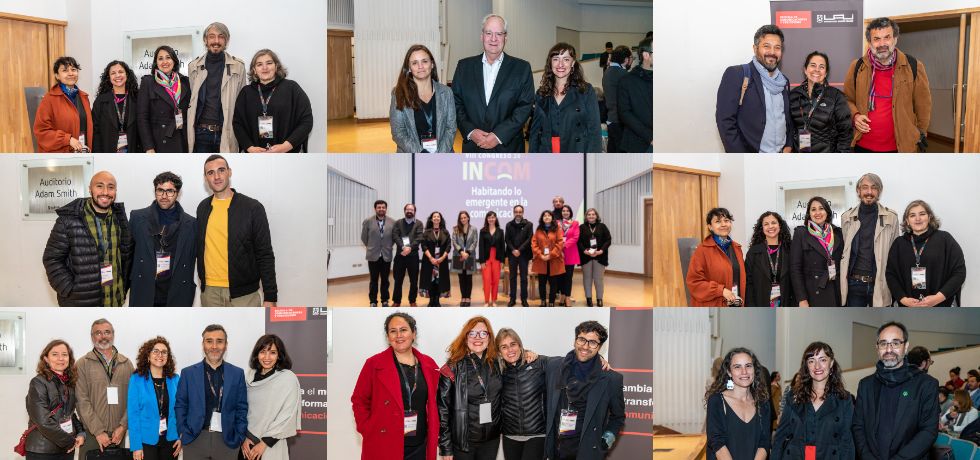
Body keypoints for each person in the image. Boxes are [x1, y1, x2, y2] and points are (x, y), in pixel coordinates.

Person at [352, 312, 440, 460]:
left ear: (414, 333)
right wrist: (368, 428)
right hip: (384, 443)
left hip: (420, 445)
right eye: (393, 331)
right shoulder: (374, 364)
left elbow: (437, 403)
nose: (399, 335)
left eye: (404, 330)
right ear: (388, 337)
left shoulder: (429, 365)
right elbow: (359, 400)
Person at [42, 170, 134, 307]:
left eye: (110, 187)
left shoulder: (120, 218)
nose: (105, 192)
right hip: (82, 302)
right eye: (99, 186)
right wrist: (69, 289)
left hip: (116, 299)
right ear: (90, 189)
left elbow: (127, 256)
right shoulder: (68, 220)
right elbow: (52, 258)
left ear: (115, 191)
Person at [197, 155, 278, 307]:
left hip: (244, 295)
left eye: (221, 170)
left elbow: (265, 253)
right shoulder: (203, 208)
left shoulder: (252, 208)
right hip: (210, 293)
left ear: (229, 172)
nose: (216, 176)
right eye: (210, 172)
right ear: (205, 178)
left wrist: (270, 296)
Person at [844, 17, 932, 153]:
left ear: (895, 38)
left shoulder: (914, 66)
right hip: (862, 146)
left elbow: (923, 106)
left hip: (901, 148)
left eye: (887, 37)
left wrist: (918, 135)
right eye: (876, 39)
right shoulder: (857, 66)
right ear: (870, 42)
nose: (882, 43)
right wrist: (855, 116)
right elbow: (847, 100)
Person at [853, 321, 939, 459]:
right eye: (883, 343)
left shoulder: (926, 384)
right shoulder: (865, 385)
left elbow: (928, 431)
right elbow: (858, 427)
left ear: (906, 347)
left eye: (895, 343)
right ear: (877, 348)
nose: (889, 349)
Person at [452, 13, 534, 152]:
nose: (493, 39)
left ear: (505, 37)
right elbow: (455, 103)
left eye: (499, 34)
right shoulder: (463, 67)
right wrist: (471, 131)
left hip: (508, 148)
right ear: (481, 36)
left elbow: (524, 107)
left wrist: (498, 136)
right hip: (473, 148)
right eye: (489, 33)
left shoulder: (522, 68)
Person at [542, 321, 625, 459]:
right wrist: (527, 353)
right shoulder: (554, 366)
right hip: (557, 448)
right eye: (582, 340)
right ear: (575, 341)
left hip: (587, 450)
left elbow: (618, 417)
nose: (585, 346)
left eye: (592, 342)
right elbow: (524, 357)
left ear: (599, 347)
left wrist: (606, 440)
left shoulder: (611, 379)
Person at [175, 324, 248, 460]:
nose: (214, 346)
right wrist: (183, 431)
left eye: (219, 341)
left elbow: (242, 407)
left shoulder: (237, 373)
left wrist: (239, 434)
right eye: (209, 341)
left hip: (227, 440)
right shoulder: (188, 373)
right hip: (195, 439)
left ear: (226, 345)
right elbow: (181, 405)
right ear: (203, 344)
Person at [716, 25, 792, 153]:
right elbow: (725, 121)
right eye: (766, 46)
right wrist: (742, 158)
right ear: (755, 48)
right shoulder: (737, 74)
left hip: (781, 159)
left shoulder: (783, 81)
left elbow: (787, 118)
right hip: (751, 159)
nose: (772, 52)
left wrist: (788, 145)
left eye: (777, 48)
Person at [771, 342, 854, 460]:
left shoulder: (844, 400)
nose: (817, 366)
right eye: (811, 361)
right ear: (806, 366)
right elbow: (780, 437)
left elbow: (847, 442)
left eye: (822, 360)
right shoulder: (793, 397)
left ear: (831, 363)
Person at [129, 171, 197, 307]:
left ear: (177, 193)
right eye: (160, 190)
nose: (164, 196)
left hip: (178, 293)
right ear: (155, 191)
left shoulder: (192, 224)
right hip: (144, 292)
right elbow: (128, 256)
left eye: (170, 191)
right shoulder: (137, 217)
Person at [438, 316, 502, 459]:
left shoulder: (498, 363)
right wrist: (445, 446)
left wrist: (526, 353)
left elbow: (514, 353)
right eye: (472, 333)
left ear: (489, 337)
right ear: (465, 337)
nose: (477, 337)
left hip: (491, 440)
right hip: (463, 443)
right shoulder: (452, 367)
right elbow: (443, 411)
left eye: (483, 333)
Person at [886, 200, 966, 307]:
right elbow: (891, 275)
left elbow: (959, 272)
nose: (918, 218)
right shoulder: (899, 244)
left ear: (929, 217)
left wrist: (938, 298)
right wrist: (903, 299)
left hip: (942, 305)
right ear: (907, 221)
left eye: (922, 214)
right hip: (906, 308)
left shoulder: (945, 239)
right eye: (912, 215)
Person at [75, 319, 135, 459]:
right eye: (98, 333)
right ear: (92, 337)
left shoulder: (126, 364)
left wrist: (123, 426)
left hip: (117, 435)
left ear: (113, 335)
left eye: (107, 332)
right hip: (92, 433)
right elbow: (81, 401)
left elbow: (133, 400)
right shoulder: (82, 364)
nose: (103, 336)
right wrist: (98, 431)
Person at [233, 49, 313, 152]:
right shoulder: (246, 93)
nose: (265, 67)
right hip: (255, 156)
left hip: (287, 154)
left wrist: (286, 146)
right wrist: (250, 148)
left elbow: (306, 121)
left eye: (269, 63)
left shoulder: (292, 88)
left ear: (276, 66)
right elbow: (237, 124)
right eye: (259, 64)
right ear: (254, 70)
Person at [528, 43, 602, 153]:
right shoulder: (541, 94)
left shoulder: (585, 91)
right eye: (556, 59)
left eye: (566, 59)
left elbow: (594, 131)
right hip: (547, 153)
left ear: (573, 63)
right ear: (550, 63)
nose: (560, 64)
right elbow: (535, 132)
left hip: (576, 153)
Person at [839, 173, 900, 307]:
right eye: (865, 187)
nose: (869, 192)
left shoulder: (891, 217)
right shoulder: (846, 217)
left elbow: (895, 254)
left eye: (874, 188)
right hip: (853, 285)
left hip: (879, 284)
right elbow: (845, 250)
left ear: (879, 191)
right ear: (858, 191)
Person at [187, 22, 247, 153]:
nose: (216, 41)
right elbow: (193, 98)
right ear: (205, 40)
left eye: (221, 37)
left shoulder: (238, 66)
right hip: (201, 133)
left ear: (226, 40)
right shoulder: (194, 67)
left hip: (227, 133)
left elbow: (242, 103)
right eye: (211, 36)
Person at [704, 347, 771, 460]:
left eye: (748, 366)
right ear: (729, 372)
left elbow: (764, 443)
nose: (744, 372)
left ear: (754, 369)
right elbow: (718, 444)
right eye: (737, 367)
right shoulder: (716, 401)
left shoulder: (763, 403)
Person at [23, 340, 85, 460]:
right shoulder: (38, 383)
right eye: (55, 354)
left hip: (66, 450)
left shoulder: (69, 383)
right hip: (43, 451)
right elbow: (43, 421)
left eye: (65, 354)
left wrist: (81, 433)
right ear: (46, 359)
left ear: (69, 358)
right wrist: (69, 441)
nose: (60, 358)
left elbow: (69, 414)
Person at [243, 335, 302, 460]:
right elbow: (241, 408)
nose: (267, 357)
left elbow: (287, 415)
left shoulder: (288, 378)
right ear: (257, 354)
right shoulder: (248, 376)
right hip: (246, 444)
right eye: (263, 352)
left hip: (272, 444)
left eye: (272, 353)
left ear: (279, 355)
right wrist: (243, 437)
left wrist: (264, 443)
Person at [390, 44, 457, 153]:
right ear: (409, 68)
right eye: (415, 63)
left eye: (424, 61)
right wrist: (421, 154)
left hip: (443, 154)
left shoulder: (446, 92)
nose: (420, 66)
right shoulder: (399, 94)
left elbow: (451, 128)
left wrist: (440, 154)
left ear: (432, 64)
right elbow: (398, 132)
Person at [127, 336, 181, 460]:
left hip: (171, 439)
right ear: (148, 356)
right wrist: (136, 446)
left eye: (164, 352)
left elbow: (181, 410)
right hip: (146, 441)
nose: (160, 355)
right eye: (155, 351)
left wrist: (180, 436)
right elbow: (133, 414)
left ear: (168, 357)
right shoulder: (136, 380)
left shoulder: (175, 379)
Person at [788, 51, 853, 152]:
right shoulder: (793, 95)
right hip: (800, 157)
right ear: (805, 70)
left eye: (821, 67)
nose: (817, 70)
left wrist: (841, 158)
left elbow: (846, 133)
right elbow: (789, 128)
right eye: (813, 65)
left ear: (826, 73)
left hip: (827, 159)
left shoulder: (836, 96)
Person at [790, 197, 844, 307]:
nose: (817, 213)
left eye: (821, 208)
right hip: (812, 293)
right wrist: (802, 298)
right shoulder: (801, 233)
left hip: (835, 290)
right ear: (809, 214)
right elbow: (795, 268)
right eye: (813, 209)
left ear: (827, 212)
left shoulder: (838, 233)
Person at [686, 208, 746, 307]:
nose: (723, 224)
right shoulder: (702, 250)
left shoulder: (737, 248)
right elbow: (694, 282)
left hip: (734, 305)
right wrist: (720, 291)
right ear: (710, 227)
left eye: (726, 220)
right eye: (718, 221)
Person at [34, 56, 93, 153]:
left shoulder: (84, 97)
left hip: (82, 153)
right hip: (59, 156)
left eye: (73, 69)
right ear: (57, 76)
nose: (70, 73)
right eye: (65, 70)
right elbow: (41, 131)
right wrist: (67, 139)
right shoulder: (49, 99)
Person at [138, 46, 191, 153]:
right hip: (159, 141)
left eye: (168, 57)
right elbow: (142, 117)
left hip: (182, 138)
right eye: (160, 58)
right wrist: (148, 147)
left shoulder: (185, 82)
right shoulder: (148, 82)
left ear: (174, 61)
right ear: (156, 62)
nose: (165, 62)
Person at [744, 211, 794, 307]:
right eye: (766, 224)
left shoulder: (790, 249)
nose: (770, 226)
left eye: (773, 223)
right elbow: (748, 283)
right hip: (760, 304)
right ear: (762, 229)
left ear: (780, 226)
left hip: (787, 304)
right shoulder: (753, 252)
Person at [92, 60, 142, 152]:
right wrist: (97, 155)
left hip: (134, 153)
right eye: (113, 73)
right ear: (109, 77)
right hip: (107, 153)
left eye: (121, 72)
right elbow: (96, 132)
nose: (117, 75)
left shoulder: (137, 99)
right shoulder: (100, 101)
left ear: (127, 74)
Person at [619, 37, 653, 152]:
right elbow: (625, 113)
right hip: (638, 144)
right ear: (646, 55)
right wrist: (650, 136)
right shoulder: (627, 80)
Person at [362, 200, 397, 307]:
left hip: (386, 255)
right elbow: (364, 237)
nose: (381, 209)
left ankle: (385, 300)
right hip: (373, 255)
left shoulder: (393, 222)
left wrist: (388, 246)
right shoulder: (368, 221)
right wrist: (372, 246)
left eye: (383, 207)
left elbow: (394, 237)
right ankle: (373, 301)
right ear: (375, 209)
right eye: (379, 207)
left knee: (385, 280)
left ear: (386, 209)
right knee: (373, 280)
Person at [392, 204, 424, 307]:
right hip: (400, 255)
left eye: (411, 209)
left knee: (414, 281)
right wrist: (403, 247)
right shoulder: (398, 223)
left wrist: (409, 248)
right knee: (398, 280)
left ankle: (412, 300)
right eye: (407, 209)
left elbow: (419, 238)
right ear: (404, 211)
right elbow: (395, 236)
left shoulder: (419, 223)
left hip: (413, 256)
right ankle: (396, 301)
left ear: (415, 211)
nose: (409, 211)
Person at [602, 46, 633, 153]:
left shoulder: (607, 71)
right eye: (631, 58)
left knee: (612, 150)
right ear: (625, 60)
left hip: (611, 119)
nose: (632, 60)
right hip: (620, 121)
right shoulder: (623, 74)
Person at [532, 210, 565, 307]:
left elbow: (560, 243)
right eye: (544, 216)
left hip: (554, 260)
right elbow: (534, 244)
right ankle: (543, 301)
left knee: (553, 283)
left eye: (549, 215)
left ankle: (551, 302)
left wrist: (550, 255)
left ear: (552, 218)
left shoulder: (557, 229)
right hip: (541, 260)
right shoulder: (538, 230)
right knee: (541, 283)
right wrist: (540, 255)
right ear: (542, 218)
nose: (546, 217)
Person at [578, 208, 611, 307]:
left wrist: (601, 251)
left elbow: (608, 240)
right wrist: (585, 251)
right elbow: (578, 241)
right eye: (589, 214)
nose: (591, 216)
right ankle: (588, 299)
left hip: (600, 256)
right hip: (586, 256)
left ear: (596, 216)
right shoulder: (582, 227)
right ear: (586, 216)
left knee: (598, 279)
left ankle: (599, 299)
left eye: (593, 214)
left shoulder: (602, 226)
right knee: (587, 278)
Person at [420, 211, 452, 307]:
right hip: (429, 260)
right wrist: (431, 258)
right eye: (434, 217)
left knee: (439, 280)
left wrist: (442, 257)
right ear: (431, 219)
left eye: (438, 217)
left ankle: (437, 300)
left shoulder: (445, 232)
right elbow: (423, 246)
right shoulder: (426, 232)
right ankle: (431, 300)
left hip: (441, 261)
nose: (436, 218)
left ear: (440, 219)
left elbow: (448, 246)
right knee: (431, 280)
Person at [505, 205, 533, 307]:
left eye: (520, 212)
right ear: (513, 212)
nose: (518, 213)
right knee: (512, 277)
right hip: (512, 254)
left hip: (524, 254)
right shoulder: (509, 225)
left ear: (523, 213)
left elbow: (529, 239)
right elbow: (507, 239)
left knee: (523, 278)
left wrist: (519, 250)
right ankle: (512, 299)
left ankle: (524, 299)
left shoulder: (529, 225)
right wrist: (513, 250)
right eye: (516, 212)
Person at [451, 211, 479, 306]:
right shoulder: (455, 229)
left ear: (468, 218)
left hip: (469, 256)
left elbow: (475, 242)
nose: (463, 219)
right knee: (461, 278)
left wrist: (467, 252)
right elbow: (454, 242)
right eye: (461, 218)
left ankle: (468, 298)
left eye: (464, 217)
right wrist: (461, 252)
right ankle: (463, 297)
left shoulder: (474, 229)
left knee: (468, 278)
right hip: (458, 255)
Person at [478, 211, 506, 307]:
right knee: (486, 280)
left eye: (493, 217)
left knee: (495, 280)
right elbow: (480, 246)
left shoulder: (500, 231)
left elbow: (503, 247)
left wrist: (502, 260)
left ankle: (494, 300)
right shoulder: (483, 231)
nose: (491, 219)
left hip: (497, 258)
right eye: (489, 217)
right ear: (487, 219)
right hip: (486, 258)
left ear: (496, 219)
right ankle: (486, 301)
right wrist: (481, 261)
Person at [558, 205, 580, 306]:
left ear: (570, 212)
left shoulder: (575, 223)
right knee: (561, 277)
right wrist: (560, 247)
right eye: (563, 211)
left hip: (570, 252)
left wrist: (564, 245)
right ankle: (562, 295)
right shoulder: (557, 223)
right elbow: (555, 237)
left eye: (567, 211)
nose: (565, 212)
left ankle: (567, 297)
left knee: (568, 277)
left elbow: (576, 237)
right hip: (559, 253)